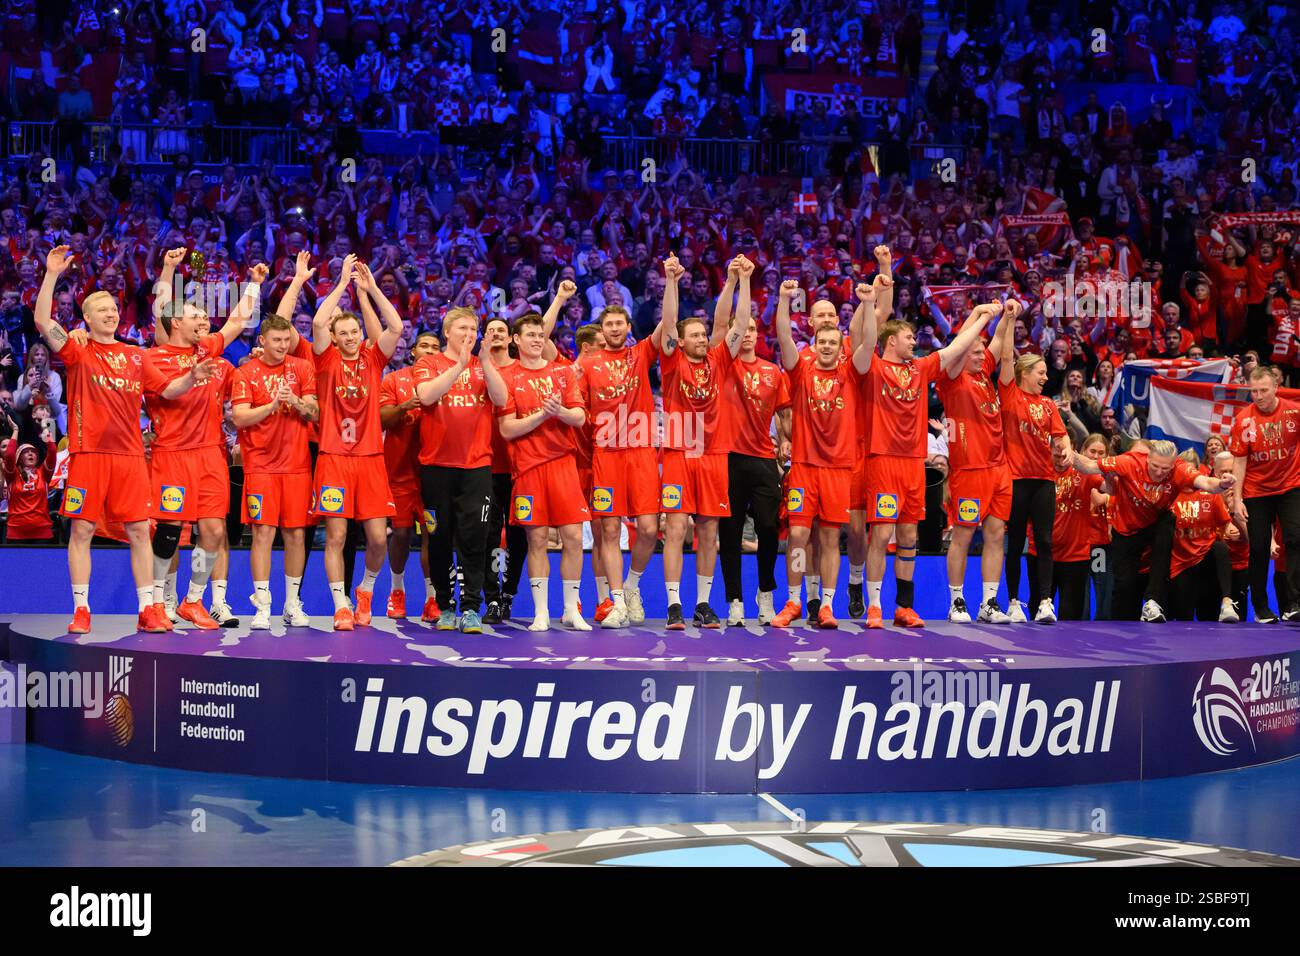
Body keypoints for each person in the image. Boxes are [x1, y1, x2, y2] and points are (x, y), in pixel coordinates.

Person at [37, 245, 213, 634]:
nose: (111, 313)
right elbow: (42, 321)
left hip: (131, 457)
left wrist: (192, 377)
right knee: (81, 530)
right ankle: (82, 609)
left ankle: (148, 608)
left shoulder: (136, 356)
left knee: (138, 531)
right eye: (102, 309)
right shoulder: (77, 351)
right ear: (86, 318)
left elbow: (167, 391)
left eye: (114, 308)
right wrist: (52, 275)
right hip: (89, 453)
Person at [860, 292, 1000, 628]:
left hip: (914, 464)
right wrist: (869, 304)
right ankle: (875, 606)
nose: (915, 342)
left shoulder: (920, 368)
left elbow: (954, 349)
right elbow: (865, 338)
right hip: (883, 461)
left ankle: (903, 607)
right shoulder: (874, 368)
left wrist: (982, 317)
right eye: (909, 337)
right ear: (891, 341)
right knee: (881, 535)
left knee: (909, 536)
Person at [144, 262, 263, 630]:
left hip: (212, 453)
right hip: (173, 455)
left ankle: (193, 600)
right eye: (196, 317)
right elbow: (169, 391)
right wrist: (191, 375)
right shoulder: (152, 358)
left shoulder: (208, 349)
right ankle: (159, 602)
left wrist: (255, 285)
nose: (204, 323)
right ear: (175, 322)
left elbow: (237, 322)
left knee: (213, 532)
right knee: (168, 531)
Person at [772, 277, 876, 628]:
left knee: (831, 538)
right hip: (804, 465)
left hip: (837, 469)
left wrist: (867, 302)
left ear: (840, 346)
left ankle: (827, 605)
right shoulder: (801, 370)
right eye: (823, 342)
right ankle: (793, 600)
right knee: (799, 536)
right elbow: (784, 338)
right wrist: (785, 300)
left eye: (834, 341)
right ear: (814, 346)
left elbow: (870, 342)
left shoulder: (852, 372)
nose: (828, 346)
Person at [311, 255, 403, 631]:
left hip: (369, 459)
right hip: (334, 457)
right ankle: (341, 604)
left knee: (378, 538)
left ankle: (366, 590)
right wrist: (340, 284)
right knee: (336, 534)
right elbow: (318, 320)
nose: (349, 338)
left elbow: (395, 325)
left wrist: (371, 288)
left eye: (354, 333)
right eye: (342, 333)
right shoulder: (325, 360)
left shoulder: (373, 359)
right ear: (334, 337)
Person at [658, 252, 746, 629]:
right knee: (676, 529)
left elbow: (734, 322)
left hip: (713, 454)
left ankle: (704, 604)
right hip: (679, 453)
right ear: (681, 339)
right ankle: (675, 604)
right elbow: (666, 323)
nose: (698, 338)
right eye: (691, 334)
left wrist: (737, 280)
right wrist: (672, 280)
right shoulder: (671, 361)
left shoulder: (719, 359)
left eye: (702, 334)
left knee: (709, 532)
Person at [492, 312, 591, 630]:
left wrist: (558, 411)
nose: (536, 339)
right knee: (536, 541)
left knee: (574, 538)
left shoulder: (563, 373)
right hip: (528, 468)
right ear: (516, 340)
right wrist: (540, 416)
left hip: (563, 464)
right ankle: (540, 613)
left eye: (540, 335)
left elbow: (579, 417)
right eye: (530, 335)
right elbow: (506, 430)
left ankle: (571, 610)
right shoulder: (507, 378)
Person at [413, 306, 508, 633]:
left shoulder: (486, 365)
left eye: (473, 328)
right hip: (436, 467)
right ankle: (444, 606)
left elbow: (502, 397)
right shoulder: (428, 363)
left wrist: (481, 362)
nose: (469, 334)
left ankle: (470, 608)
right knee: (438, 539)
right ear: (447, 332)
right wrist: (460, 367)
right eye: (463, 328)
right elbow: (426, 396)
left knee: (474, 539)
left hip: (476, 467)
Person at [1070, 440, 1237, 621]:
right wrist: (1065, 450)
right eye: (1155, 466)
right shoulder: (1129, 462)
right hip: (1126, 531)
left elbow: (1206, 482)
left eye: (1165, 469)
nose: (1159, 473)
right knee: (1124, 587)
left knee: (1168, 520)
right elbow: (1087, 465)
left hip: (1155, 524)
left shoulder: (1179, 469)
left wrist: (1222, 484)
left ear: (1173, 464)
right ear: (1147, 458)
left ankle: (1152, 600)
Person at [577, 301, 666, 628]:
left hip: (641, 450)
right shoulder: (588, 364)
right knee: (610, 531)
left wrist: (670, 281)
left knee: (648, 529)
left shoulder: (640, 353)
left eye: (620, 323)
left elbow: (667, 323)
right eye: (609, 324)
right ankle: (617, 602)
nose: (614, 328)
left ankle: (631, 585)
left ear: (629, 327)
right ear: (602, 330)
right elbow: (578, 411)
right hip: (606, 455)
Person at [229, 312, 319, 628]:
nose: (282, 346)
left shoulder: (303, 368)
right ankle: (262, 606)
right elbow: (239, 418)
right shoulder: (246, 373)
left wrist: (293, 400)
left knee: (295, 534)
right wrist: (270, 407)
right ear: (262, 341)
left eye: (286, 340)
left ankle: (292, 604)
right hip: (260, 466)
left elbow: (314, 412)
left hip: (296, 467)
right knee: (263, 533)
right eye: (276, 340)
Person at [714, 262, 790, 626]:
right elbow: (729, 320)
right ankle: (734, 600)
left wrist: (786, 442)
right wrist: (741, 281)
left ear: (757, 336)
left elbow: (785, 415)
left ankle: (765, 593)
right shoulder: (723, 363)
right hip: (728, 458)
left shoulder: (773, 371)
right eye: (740, 329)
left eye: (751, 330)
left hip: (762, 458)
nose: (746, 333)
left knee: (768, 528)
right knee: (728, 532)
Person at [936, 297, 1017, 624]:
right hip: (969, 471)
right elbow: (960, 345)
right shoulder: (951, 377)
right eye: (973, 348)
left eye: (980, 349)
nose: (979, 352)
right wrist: (981, 314)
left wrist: (1009, 316)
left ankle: (989, 602)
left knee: (996, 534)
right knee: (964, 535)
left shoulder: (983, 368)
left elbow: (998, 342)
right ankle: (957, 601)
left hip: (999, 469)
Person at [999, 329, 1071, 624]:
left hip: (1044, 480)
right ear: (1024, 373)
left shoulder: (1048, 405)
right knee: (1015, 543)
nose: (1045, 377)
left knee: (1044, 541)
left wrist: (1065, 451)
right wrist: (1010, 320)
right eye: (1040, 373)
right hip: (1015, 479)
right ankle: (1014, 602)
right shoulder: (1009, 394)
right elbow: (1005, 357)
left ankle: (1044, 602)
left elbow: (1061, 436)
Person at [1227, 366, 1300, 622]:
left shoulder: (1294, 410)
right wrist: (1237, 500)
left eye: (1263, 390)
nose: (1258, 396)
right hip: (1256, 491)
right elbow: (1239, 462)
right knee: (1258, 547)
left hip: (1291, 485)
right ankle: (1260, 606)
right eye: (1254, 391)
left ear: (1276, 388)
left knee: (1295, 539)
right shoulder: (1244, 419)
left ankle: (1295, 602)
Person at [379, 330, 440, 621]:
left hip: (435, 472)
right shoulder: (394, 379)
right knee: (401, 533)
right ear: (413, 351)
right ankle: (396, 591)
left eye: (435, 347)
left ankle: (432, 598)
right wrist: (404, 406)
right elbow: (381, 419)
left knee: (433, 534)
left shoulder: (447, 381)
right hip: (400, 471)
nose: (429, 350)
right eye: (424, 346)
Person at [480, 316, 528, 624]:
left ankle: (508, 594)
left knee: (519, 536)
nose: (496, 334)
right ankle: (491, 599)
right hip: (483, 466)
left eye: (501, 330)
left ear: (511, 338)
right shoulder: (474, 369)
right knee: (485, 534)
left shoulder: (525, 370)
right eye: (490, 330)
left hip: (520, 465)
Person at [1168, 449, 1246, 622]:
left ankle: (1226, 602)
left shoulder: (1211, 495)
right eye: (1183, 473)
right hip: (1180, 565)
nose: (1187, 478)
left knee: (1219, 547)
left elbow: (1226, 525)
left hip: (1206, 564)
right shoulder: (1169, 496)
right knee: (1182, 619)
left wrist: (1233, 526)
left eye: (1192, 473)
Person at [2, 426, 57, 542]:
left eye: (34, 452)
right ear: (19, 458)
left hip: (43, 534)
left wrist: (44, 428)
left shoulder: (44, 473)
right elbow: (10, 455)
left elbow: (52, 450)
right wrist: (15, 431)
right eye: (26, 452)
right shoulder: (12, 475)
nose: (31, 454)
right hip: (15, 534)